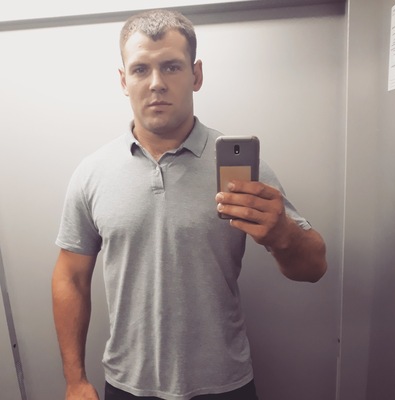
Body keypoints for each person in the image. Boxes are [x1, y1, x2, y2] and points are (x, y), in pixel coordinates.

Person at [52, 9, 327, 400]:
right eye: (141, 69)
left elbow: (315, 267)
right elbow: (70, 277)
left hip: (224, 384)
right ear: (124, 80)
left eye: (172, 67)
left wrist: (282, 233)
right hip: (129, 384)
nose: (156, 83)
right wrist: (75, 379)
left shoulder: (242, 170)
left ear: (196, 75)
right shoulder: (92, 173)